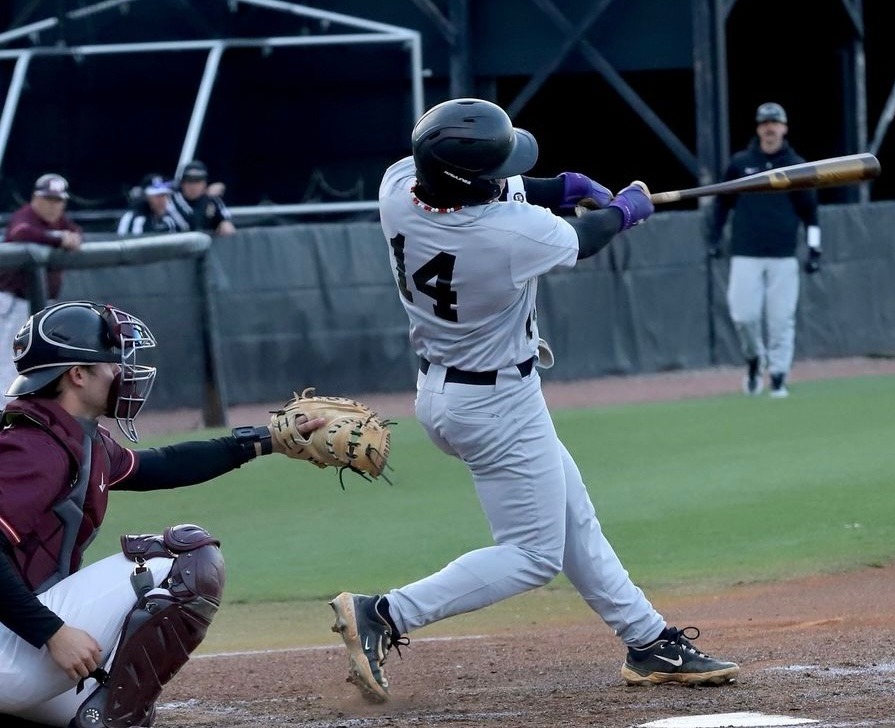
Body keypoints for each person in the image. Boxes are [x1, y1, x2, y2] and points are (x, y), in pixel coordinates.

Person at [328, 97, 739, 702]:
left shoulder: (399, 187)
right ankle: (385, 614)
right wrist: (627, 209)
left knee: (573, 520)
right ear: (477, 183)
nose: (509, 176)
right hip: (496, 405)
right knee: (533, 555)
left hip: (447, 389)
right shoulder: (508, 234)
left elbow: (499, 190)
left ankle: (649, 641)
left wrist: (560, 185)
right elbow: (585, 236)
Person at [0, 300, 322, 727]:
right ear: (77, 374)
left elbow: (163, 464)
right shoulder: (34, 449)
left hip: (12, 644)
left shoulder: (74, 436)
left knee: (95, 704)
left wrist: (267, 441)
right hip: (13, 646)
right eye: (112, 363)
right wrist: (53, 633)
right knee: (184, 558)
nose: (122, 372)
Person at [707, 102, 821, 398]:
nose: (769, 129)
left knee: (781, 319)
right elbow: (722, 203)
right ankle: (755, 359)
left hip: (783, 256)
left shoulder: (798, 166)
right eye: (764, 124)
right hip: (746, 253)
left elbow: (810, 213)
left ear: (784, 127)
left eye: (774, 123)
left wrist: (814, 249)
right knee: (743, 316)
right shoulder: (741, 163)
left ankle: (779, 377)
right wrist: (714, 238)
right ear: (758, 129)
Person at [0, 174, 84, 396]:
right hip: (13, 302)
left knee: (40, 362)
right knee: (9, 363)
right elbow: (21, 233)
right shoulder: (25, 216)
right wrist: (58, 238)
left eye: (58, 200)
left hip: (42, 304)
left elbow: (76, 233)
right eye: (48, 199)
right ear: (35, 198)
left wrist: (69, 236)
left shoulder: (59, 221)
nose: (53, 205)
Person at [171, 160, 236, 236]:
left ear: (205, 184)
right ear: (182, 184)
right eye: (189, 181)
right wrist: (206, 199)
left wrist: (225, 222)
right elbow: (193, 224)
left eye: (198, 181)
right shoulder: (174, 200)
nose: (193, 187)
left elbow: (227, 217)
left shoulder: (213, 199)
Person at [116, 173, 186, 236]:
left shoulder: (168, 219)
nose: (162, 200)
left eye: (164, 195)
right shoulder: (134, 219)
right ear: (145, 197)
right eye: (157, 196)